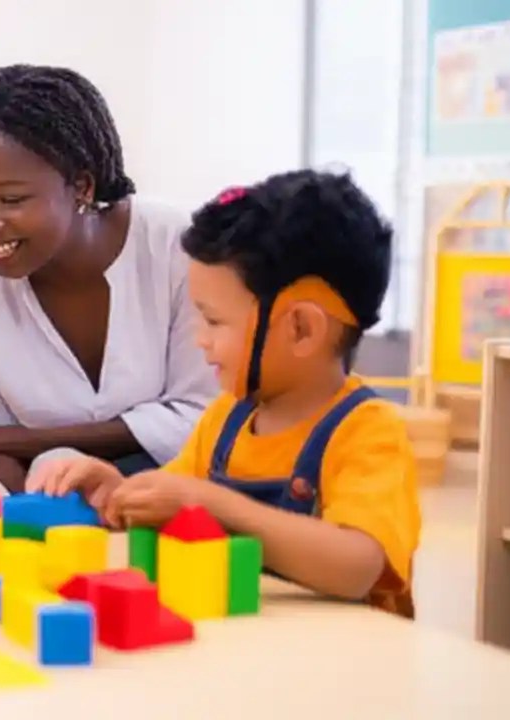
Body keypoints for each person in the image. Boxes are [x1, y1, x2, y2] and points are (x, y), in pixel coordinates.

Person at [31, 171, 421, 617]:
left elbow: (357, 566)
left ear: (301, 328)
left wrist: (211, 503)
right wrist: (123, 495)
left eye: (214, 321)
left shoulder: (368, 432)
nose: (200, 338)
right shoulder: (225, 422)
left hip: (347, 661)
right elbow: (181, 509)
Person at [0, 64, 216, 492]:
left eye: (11, 198)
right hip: (56, 514)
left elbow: (204, 417)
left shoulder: (175, 247)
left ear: (82, 186)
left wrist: (29, 441)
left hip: (192, 506)